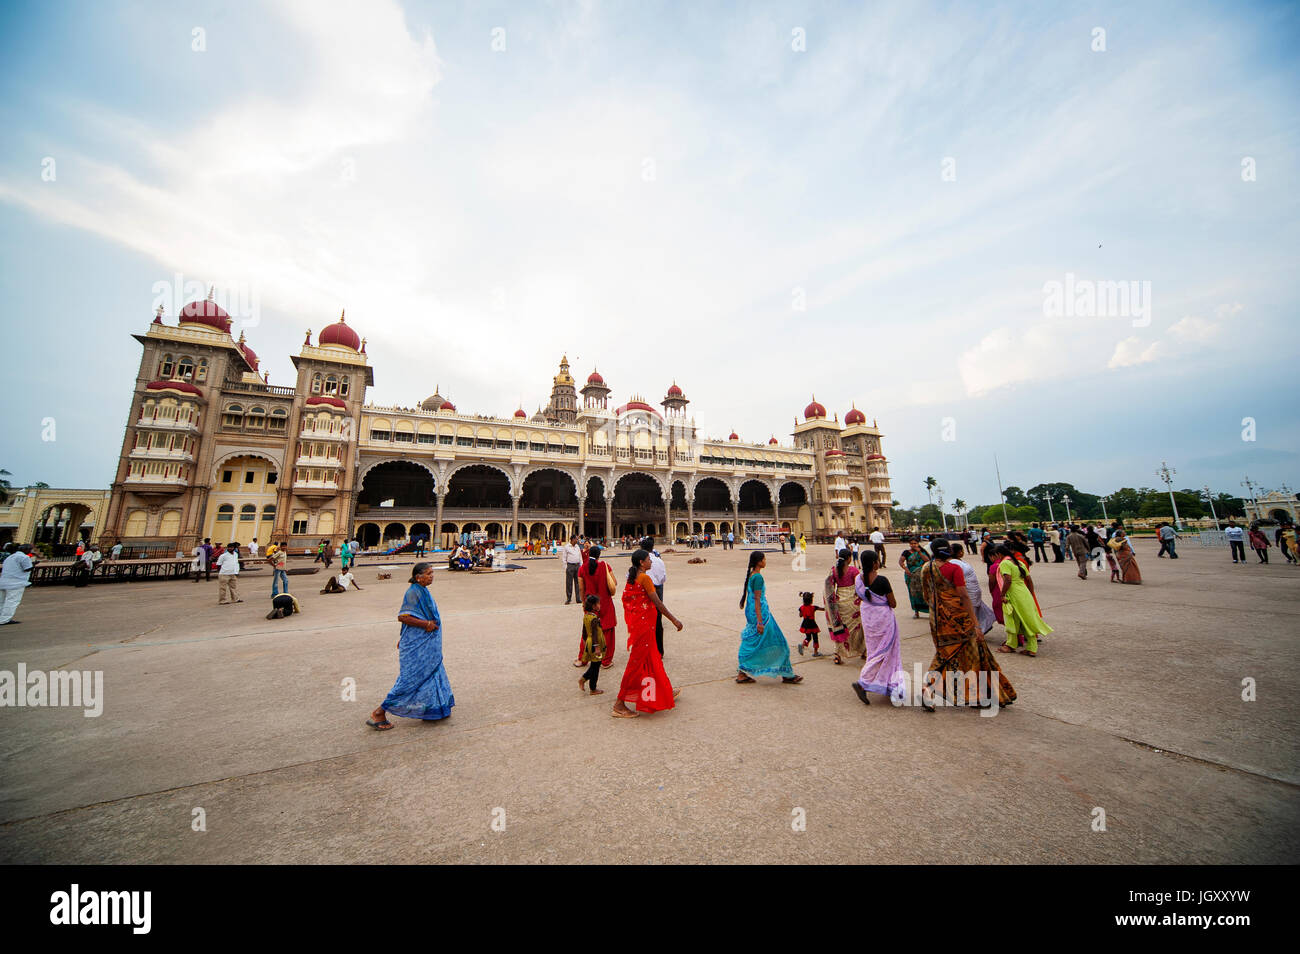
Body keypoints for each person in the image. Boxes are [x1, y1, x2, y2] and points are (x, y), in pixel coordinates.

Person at [919, 540, 1016, 709]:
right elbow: (964, 596)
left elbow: (926, 594)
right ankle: (972, 693)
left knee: (946, 653)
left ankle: (936, 688)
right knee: (972, 655)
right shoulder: (955, 569)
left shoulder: (926, 568)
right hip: (959, 618)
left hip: (939, 619)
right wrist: (976, 624)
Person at [367, 562, 455, 730]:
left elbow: (412, 615)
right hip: (418, 645)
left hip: (425, 644)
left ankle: (433, 709)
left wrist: (403, 636)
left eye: (432, 573)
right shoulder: (413, 592)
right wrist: (427, 624)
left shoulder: (422, 590)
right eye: (428, 574)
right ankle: (379, 713)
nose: (432, 576)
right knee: (410, 679)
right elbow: (404, 617)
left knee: (432, 675)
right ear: (418, 577)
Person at [612, 550, 683, 717]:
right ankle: (619, 703)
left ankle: (663, 690)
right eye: (648, 560)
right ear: (641, 563)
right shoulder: (644, 578)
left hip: (642, 626)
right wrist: (674, 620)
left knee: (653, 659)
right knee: (636, 664)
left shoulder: (634, 577)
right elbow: (657, 602)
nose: (651, 562)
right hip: (644, 628)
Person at [735, 552, 802, 685]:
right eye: (764, 559)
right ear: (759, 562)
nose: (766, 561)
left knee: (752, 640)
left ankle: (742, 672)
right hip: (761, 615)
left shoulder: (751, 575)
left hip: (753, 613)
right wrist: (760, 621)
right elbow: (757, 600)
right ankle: (786, 673)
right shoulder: (758, 577)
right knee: (780, 642)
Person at [850, 549, 904, 705]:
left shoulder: (858, 579)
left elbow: (860, 596)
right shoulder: (882, 580)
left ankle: (887, 684)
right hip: (883, 619)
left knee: (874, 651)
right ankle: (863, 682)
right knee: (886, 652)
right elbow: (893, 603)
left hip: (868, 617)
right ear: (875, 563)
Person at [994, 544, 1052, 656]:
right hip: (1023, 592)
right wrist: (1030, 594)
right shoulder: (1018, 562)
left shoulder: (1005, 563)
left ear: (999, 554)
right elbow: (1029, 579)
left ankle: (1011, 645)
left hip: (1013, 593)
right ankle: (1031, 647)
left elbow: (1008, 580)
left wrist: (1002, 595)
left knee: (1011, 619)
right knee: (1026, 619)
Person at [575, 545, 617, 669]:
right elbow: (614, 582)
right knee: (607, 631)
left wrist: (584, 602)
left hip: (590, 603)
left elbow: (581, 588)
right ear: (599, 555)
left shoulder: (582, 568)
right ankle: (606, 661)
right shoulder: (605, 566)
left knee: (588, 631)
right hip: (605, 602)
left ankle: (582, 659)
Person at [824, 547, 865, 665]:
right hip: (853, 603)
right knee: (858, 628)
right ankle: (863, 650)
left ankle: (837, 654)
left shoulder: (834, 571)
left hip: (840, 602)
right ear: (848, 558)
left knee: (841, 630)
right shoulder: (853, 571)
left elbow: (829, 588)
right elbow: (859, 586)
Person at [950, 542, 995, 635]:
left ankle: (979, 628)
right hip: (968, 592)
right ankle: (972, 631)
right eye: (961, 550)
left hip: (973, 591)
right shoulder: (954, 563)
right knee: (970, 613)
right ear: (959, 552)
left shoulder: (959, 562)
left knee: (976, 611)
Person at [640, 537, 668, 657]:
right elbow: (663, 579)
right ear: (653, 547)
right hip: (657, 589)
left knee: (644, 621)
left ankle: (646, 649)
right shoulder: (659, 561)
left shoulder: (639, 560)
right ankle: (659, 651)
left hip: (644, 591)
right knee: (657, 621)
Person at [576, 594, 608, 695]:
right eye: (598, 604)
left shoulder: (586, 616)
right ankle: (592, 688)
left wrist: (586, 642)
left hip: (590, 643)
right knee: (595, 667)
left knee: (595, 665)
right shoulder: (594, 618)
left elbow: (584, 631)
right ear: (594, 606)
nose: (600, 605)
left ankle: (584, 679)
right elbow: (594, 634)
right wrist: (597, 647)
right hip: (595, 643)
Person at [0, 544, 39, 625]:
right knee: (12, 601)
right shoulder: (24, 557)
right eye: (30, 550)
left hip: (4, 582)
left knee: (2, 601)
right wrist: (34, 564)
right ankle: (4, 619)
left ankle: (2, 617)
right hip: (16, 583)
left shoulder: (10, 557)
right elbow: (27, 568)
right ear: (26, 550)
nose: (30, 551)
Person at [898, 537, 929, 618]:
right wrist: (906, 569)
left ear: (918, 544)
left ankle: (929, 610)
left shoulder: (922, 552)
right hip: (911, 575)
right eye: (911, 543)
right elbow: (901, 561)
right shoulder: (906, 552)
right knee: (913, 593)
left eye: (915, 543)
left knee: (925, 592)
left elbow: (927, 560)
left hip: (921, 575)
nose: (913, 545)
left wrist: (920, 553)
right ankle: (916, 611)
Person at [795, 591, 825, 657]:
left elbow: (800, 615)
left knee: (808, 637)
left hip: (805, 624)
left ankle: (803, 645)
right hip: (812, 624)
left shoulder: (801, 608)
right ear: (811, 600)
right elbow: (823, 609)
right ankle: (815, 652)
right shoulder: (814, 607)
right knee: (815, 638)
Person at [561, 536, 583, 604]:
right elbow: (564, 558)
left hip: (577, 566)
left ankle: (578, 598)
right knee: (569, 583)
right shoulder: (567, 547)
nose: (577, 540)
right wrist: (566, 567)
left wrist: (581, 565)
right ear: (573, 539)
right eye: (576, 539)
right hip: (570, 566)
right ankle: (569, 598)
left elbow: (580, 557)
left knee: (578, 583)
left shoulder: (577, 547)